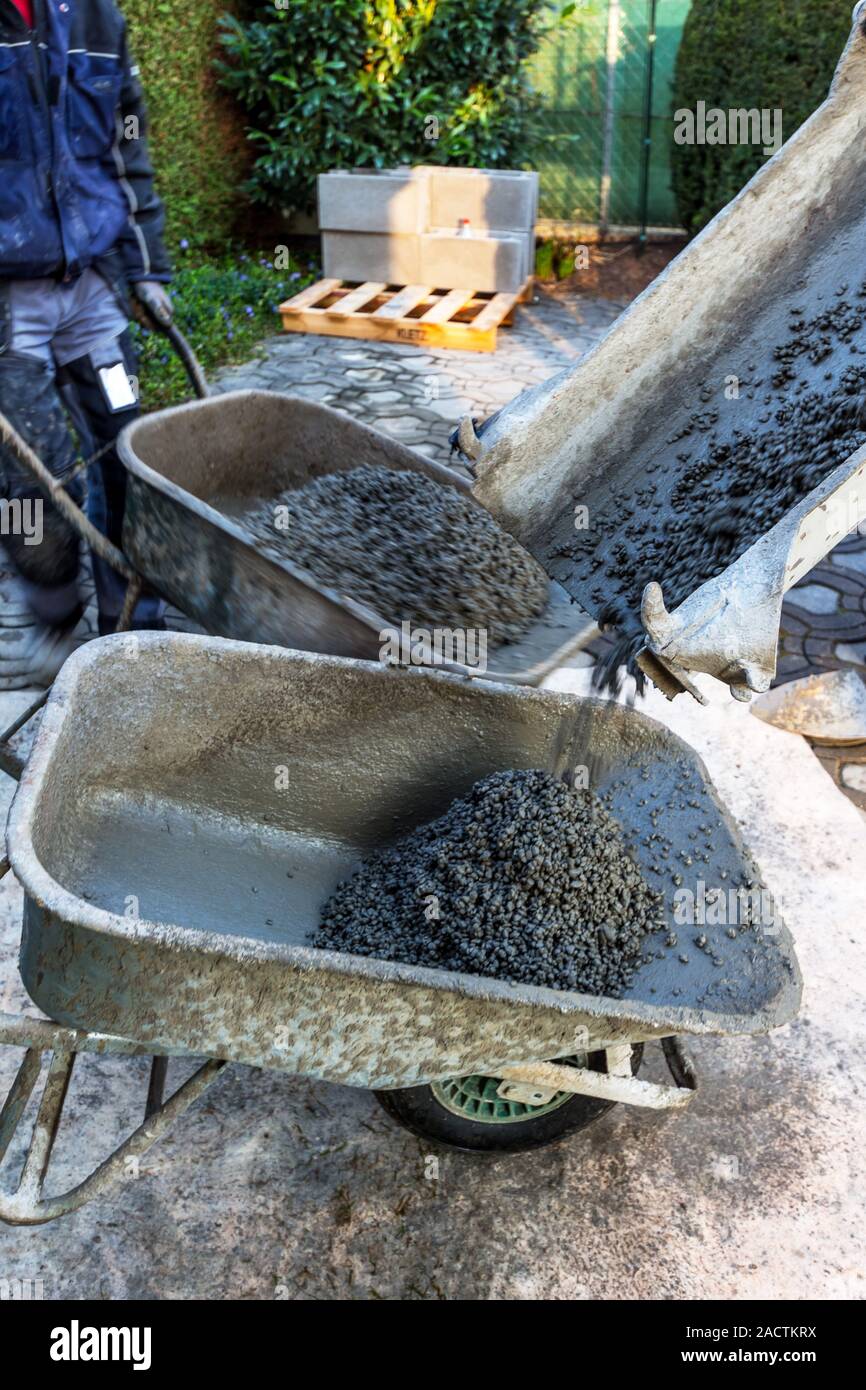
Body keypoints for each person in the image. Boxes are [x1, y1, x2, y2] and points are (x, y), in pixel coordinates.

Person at [0, 0, 172, 686]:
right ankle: (55, 621)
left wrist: (149, 266)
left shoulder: (97, 17)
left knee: (130, 452)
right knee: (31, 478)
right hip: (10, 300)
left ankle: (133, 625)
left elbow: (126, 150)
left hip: (93, 283)